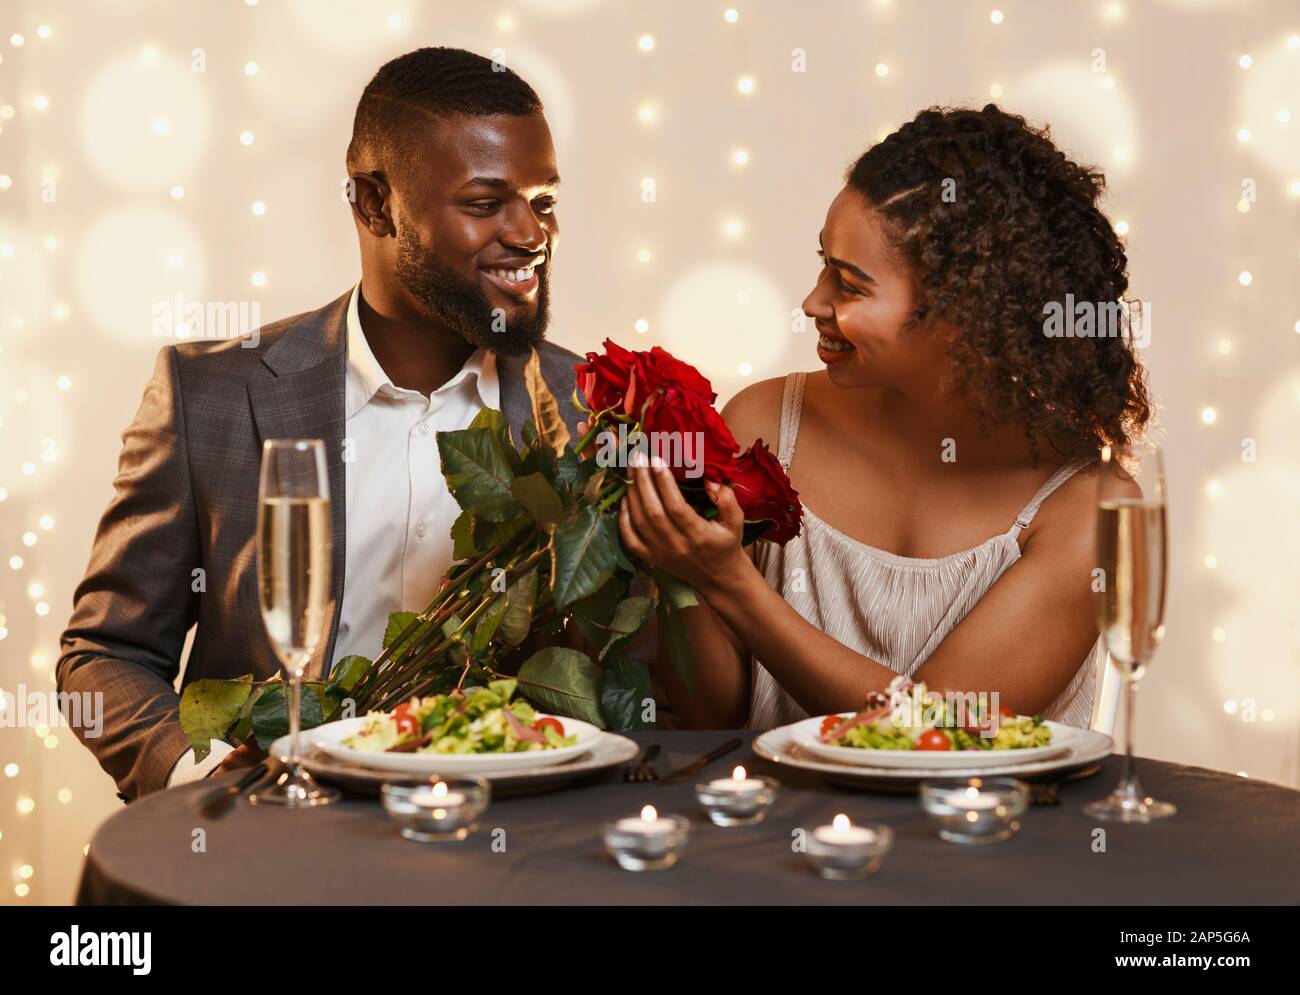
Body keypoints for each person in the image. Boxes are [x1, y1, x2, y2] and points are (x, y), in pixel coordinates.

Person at [57, 47, 582, 800]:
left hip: (508, 843)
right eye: (485, 203)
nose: (531, 231)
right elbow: (105, 651)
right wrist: (195, 777)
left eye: (544, 200)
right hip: (275, 842)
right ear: (374, 204)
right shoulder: (208, 393)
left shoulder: (588, 410)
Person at [619, 105, 1151, 730]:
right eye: (824, 265)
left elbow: (943, 732)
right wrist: (682, 565)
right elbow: (714, 713)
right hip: (775, 827)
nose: (813, 302)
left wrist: (733, 583)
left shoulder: (1088, 510)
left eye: (848, 285)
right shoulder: (767, 421)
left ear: (964, 318)